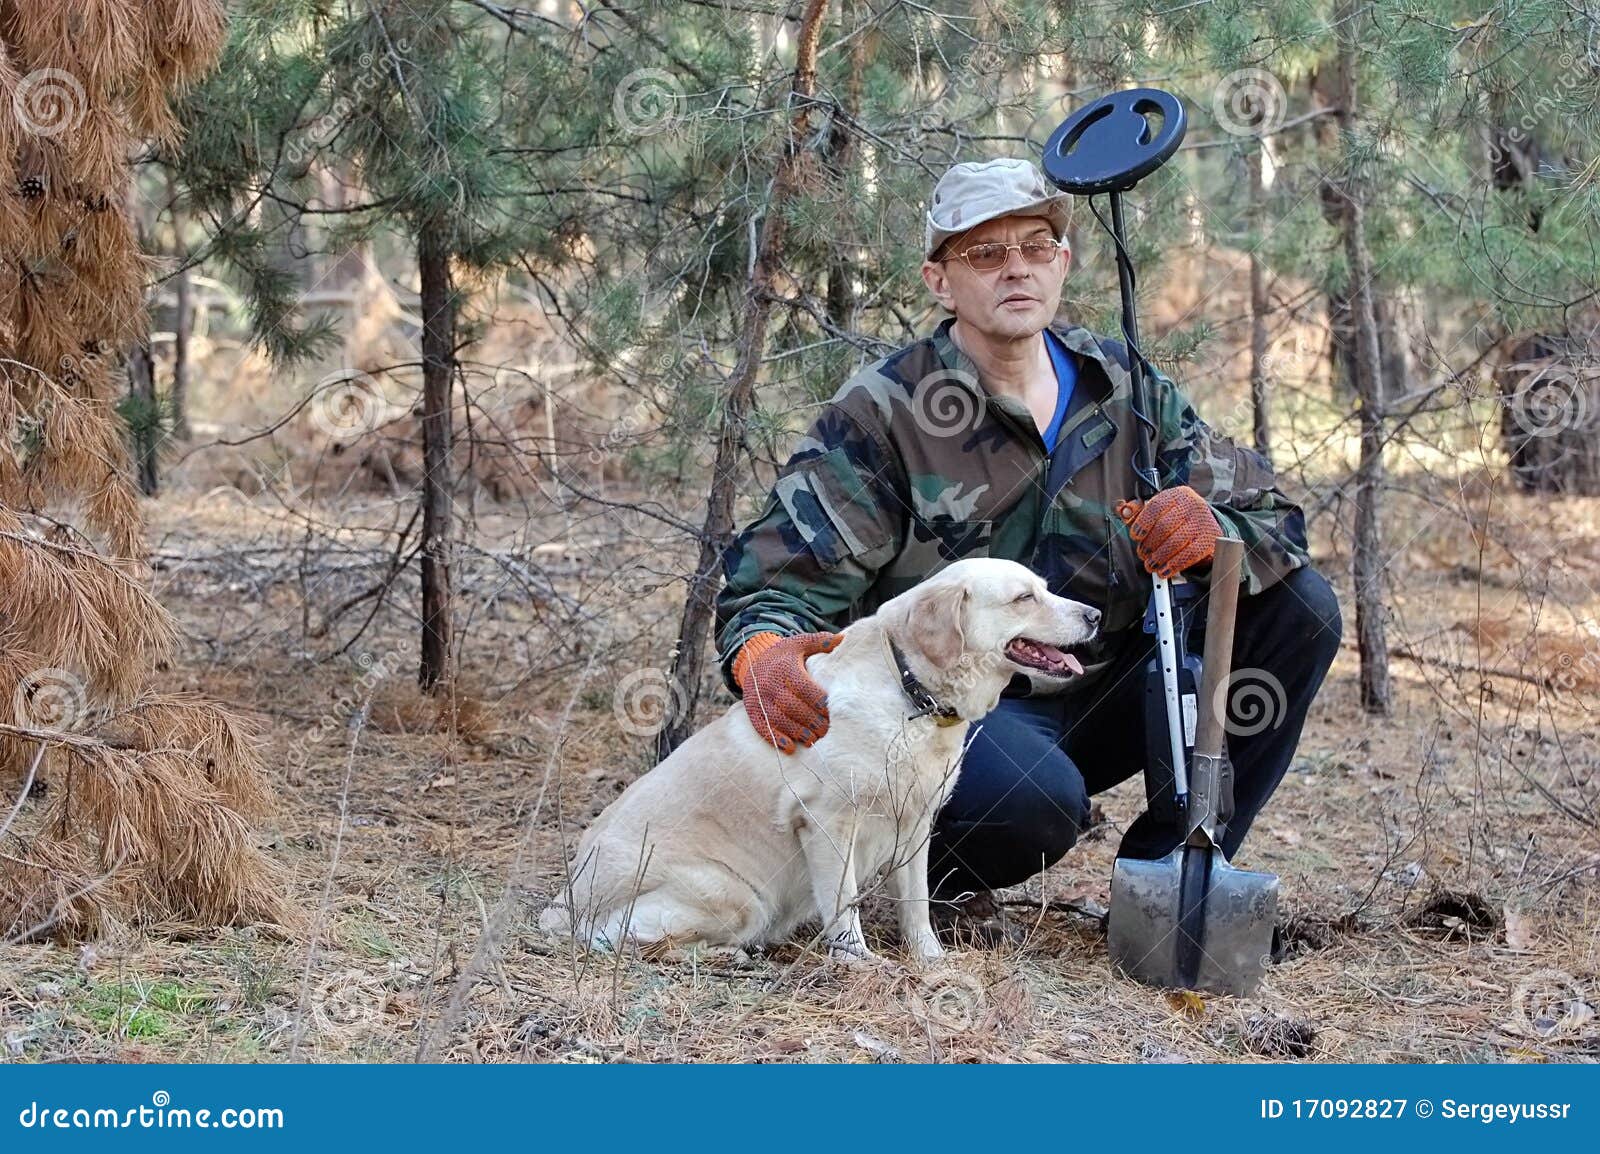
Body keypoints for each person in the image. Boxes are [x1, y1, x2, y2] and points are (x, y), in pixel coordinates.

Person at [713, 156, 1341, 926]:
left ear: (1063, 262)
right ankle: (898, 860)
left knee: (1302, 609)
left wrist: (1211, 533)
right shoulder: (887, 412)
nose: (1016, 269)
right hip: (955, 710)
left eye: (1036, 246)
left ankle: (1169, 880)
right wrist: (763, 653)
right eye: (985, 253)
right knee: (1028, 805)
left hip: (1112, 685)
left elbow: (1275, 518)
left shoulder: (1125, 389)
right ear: (940, 280)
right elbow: (774, 583)